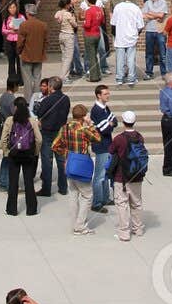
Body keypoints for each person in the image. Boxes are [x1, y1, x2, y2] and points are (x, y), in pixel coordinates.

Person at [52, 105, 101, 235]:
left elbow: (55, 145)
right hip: (82, 165)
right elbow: (98, 138)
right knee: (87, 195)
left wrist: (66, 154)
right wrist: (90, 124)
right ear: (83, 116)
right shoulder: (84, 129)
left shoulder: (65, 128)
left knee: (73, 194)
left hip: (69, 164)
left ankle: (74, 222)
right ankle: (79, 226)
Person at [108, 110, 147, 241]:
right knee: (136, 203)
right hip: (137, 176)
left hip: (121, 177)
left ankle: (124, 232)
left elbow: (111, 151)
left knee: (122, 204)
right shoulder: (140, 137)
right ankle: (138, 229)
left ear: (123, 122)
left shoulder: (119, 139)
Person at [1, 96, 40, 217]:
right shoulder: (32, 120)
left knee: (13, 183)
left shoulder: (10, 120)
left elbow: (4, 139)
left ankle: (11, 209)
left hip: (14, 155)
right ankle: (31, 209)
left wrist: (7, 153)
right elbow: (39, 139)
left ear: (16, 107)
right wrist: (35, 153)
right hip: (28, 155)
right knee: (29, 182)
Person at [36, 75, 70, 197]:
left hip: (47, 132)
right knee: (61, 161)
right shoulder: (66, 98)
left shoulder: (47, 100)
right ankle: (63, 187)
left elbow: (39, 113)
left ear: (50, 87)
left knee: (47, 161)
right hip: (60, 131)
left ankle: (46, 189)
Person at [89, 83, 118, 212]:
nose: (108, 95)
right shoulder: (97, 110)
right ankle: (97, 203)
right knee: (100, 175)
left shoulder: (105, 108)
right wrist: (110, 123)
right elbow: (104, 129)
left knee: (106, 174)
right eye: (105, 94)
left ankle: (105, 198)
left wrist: (110, 123)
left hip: (107, 145)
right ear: (98, 95)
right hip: (101, 146)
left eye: (108, 93)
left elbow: (114, 121)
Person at [111, 0, 145, 87]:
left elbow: (113, 23)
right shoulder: (136, 8)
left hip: (120, 36)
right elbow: (140, 25)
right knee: (131, 58)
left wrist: (116, 34)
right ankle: (131, 78)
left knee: (120, 58)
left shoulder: (118, 7)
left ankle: (119, 78)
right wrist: (136, 34)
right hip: (131, 37)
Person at [18, 7, 49, 98]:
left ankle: (28, 99)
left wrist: (19, 51)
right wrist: (43, 51)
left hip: (26, 54)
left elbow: (20, 41)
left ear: (27, 13)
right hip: (39, 55)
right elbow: (46, 41)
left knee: (27, 79)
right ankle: (36, 97)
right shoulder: (43, 25)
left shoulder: (24, 25)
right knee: (37, 78)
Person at [143, 0, 168, 78]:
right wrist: (156, 15)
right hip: (149, 30)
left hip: (160, 30)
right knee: (149, 53)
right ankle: (149, 72)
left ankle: (164, 73)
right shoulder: (147, 3)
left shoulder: (163, 2)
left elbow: (161, 16)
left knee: (163, 53)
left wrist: (150, 13)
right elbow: (143, 15)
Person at [81, 0, 105, 83]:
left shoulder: (89, 11)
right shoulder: (99, 9)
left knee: (91, 57)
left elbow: (87, 24)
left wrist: (83, 25)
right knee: (94, 55)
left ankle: (94, 77)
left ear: (88, 1)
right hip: (97, 33)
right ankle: (98, 74)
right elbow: (102, 21)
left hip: (89, 34)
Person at [2, 0, 24, 90]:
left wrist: (20, 29)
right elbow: (3, 30)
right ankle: (11, 80)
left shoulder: (21, 16)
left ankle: (20, 80)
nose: (12, 9)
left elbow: (26, 26)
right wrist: (10, 31)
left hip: (18, 41)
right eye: (10, 7)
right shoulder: (6, 18)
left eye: (14, 7)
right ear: (8, 9)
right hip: (10, 41)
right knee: (11, 62)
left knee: (19, 61)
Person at [55, 0, 78, 77]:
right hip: (69, 35)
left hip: (61, 35)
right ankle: (64, 76)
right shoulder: (68, 14)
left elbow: (57, 18)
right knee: (68, 58)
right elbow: (75, 25)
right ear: (67, 5)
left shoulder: (58, 12)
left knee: (64, 57)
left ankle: (65, 75)